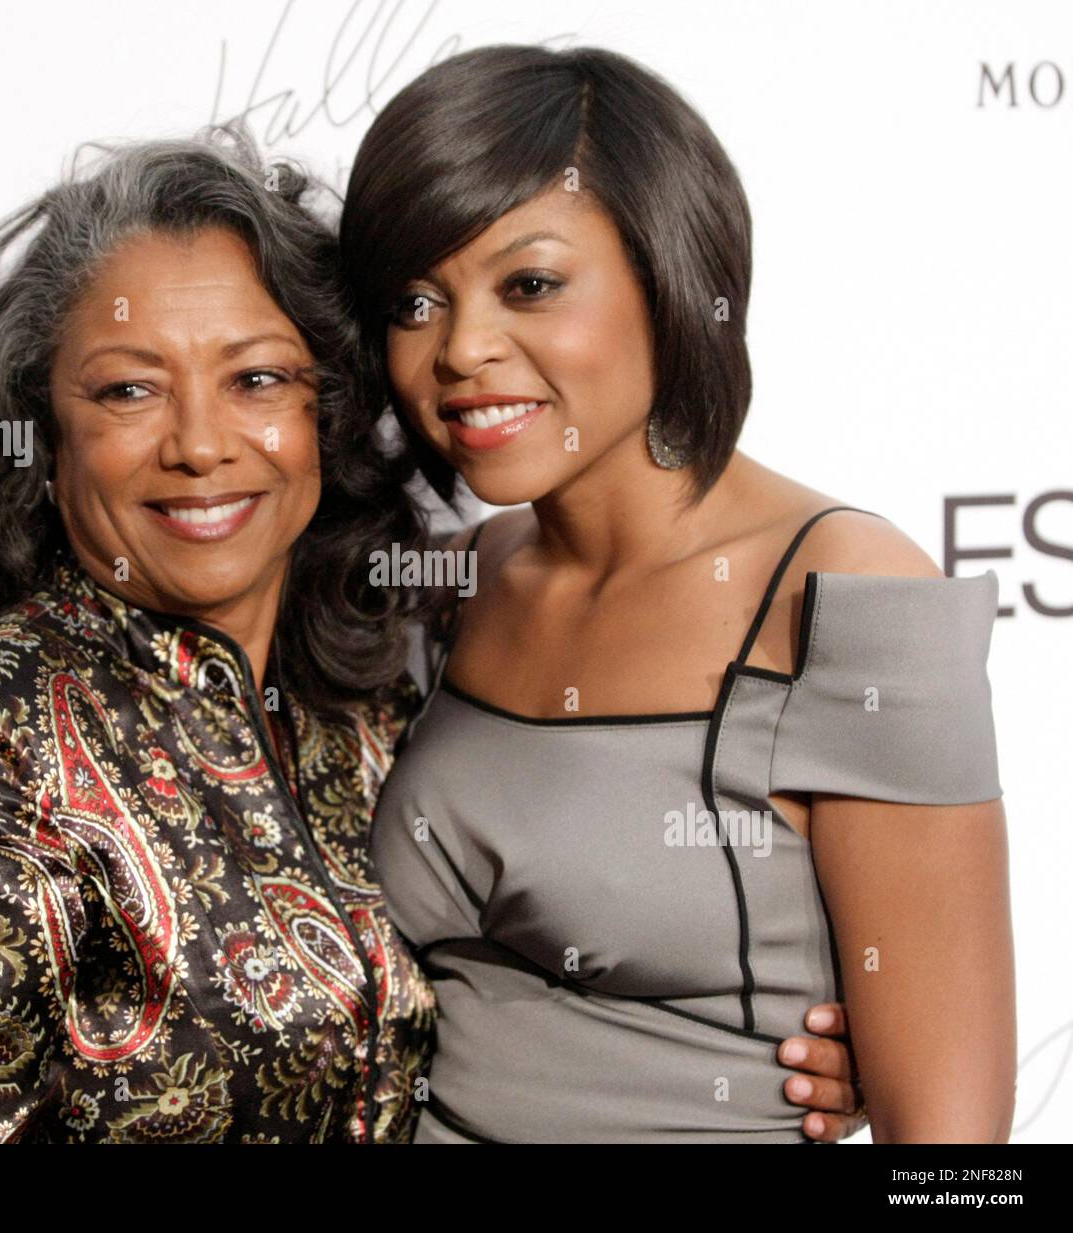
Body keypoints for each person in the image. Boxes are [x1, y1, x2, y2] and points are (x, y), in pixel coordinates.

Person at [340, 45, 1016, 1143]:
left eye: (531, 284)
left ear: (666, 276)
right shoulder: (459, 584)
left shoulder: (848, 598)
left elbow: (949, 1154)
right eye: (415, 302)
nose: (460, 349)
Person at [0, 131, 437, 1143]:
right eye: (129, 390)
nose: (202, 444)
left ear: (329, 410)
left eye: (257, 379)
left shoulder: (376, 705)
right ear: (47, 434)